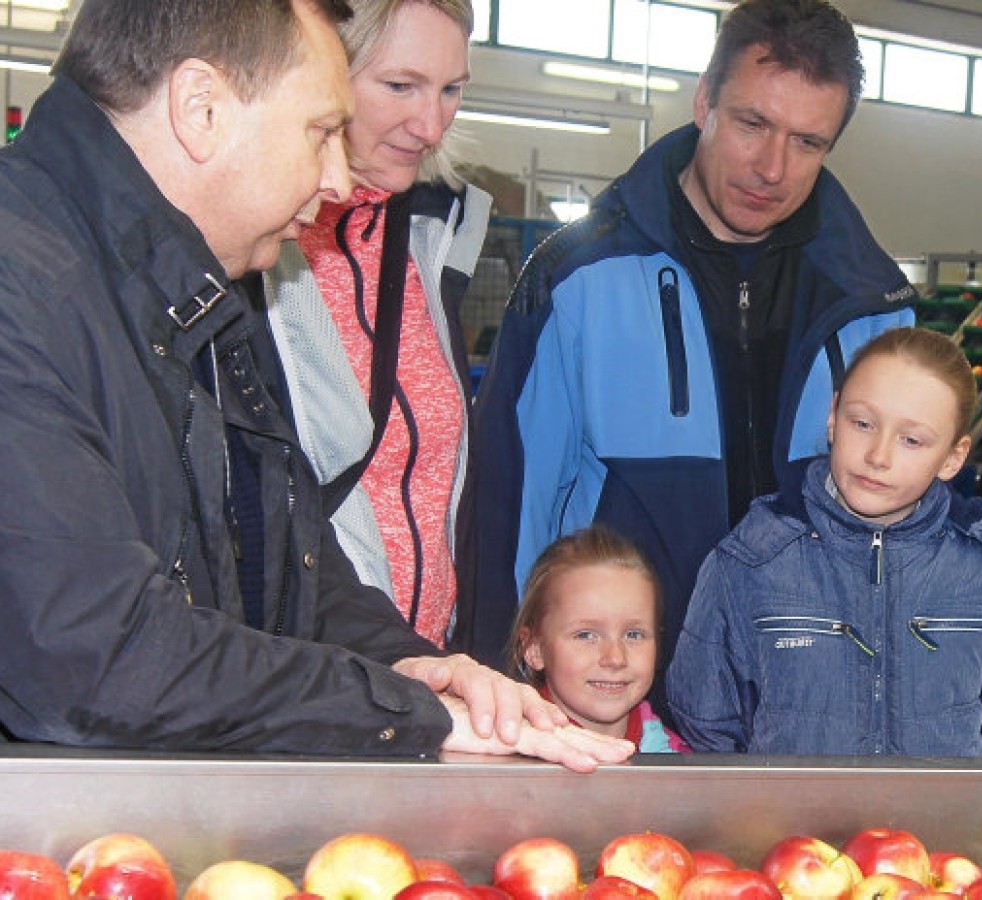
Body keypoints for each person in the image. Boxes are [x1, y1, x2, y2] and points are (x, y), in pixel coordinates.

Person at [0, 0, 631, 769]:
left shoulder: (194, 284)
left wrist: (410, 666)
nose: (338, 178)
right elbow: (94, 657)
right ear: (201, 109)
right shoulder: (23, 287)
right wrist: (400, 713)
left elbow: (281, 546)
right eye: (321, 132)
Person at [458, 0, 920, 689]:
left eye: (807, 143)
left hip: (805, 702)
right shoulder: (580, 279)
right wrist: (499, 686)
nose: (771, 167)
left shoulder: (873, 308)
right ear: (705, 102)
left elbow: (912, 530)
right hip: (621, 699)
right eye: (752, 123)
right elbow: (509, 507)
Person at [665, 328, 982, 770]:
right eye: (863, 423)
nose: (878, 456)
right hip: (787, 834)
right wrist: (757, 820)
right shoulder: (751, 561)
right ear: (832, 417)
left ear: (952, 457)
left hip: (938, 836)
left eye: (912, 440)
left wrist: (965, 820)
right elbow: (705, 718)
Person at [261, 0, 487, 648]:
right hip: (311, 665)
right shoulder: (257, 251)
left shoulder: (427, 242)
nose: (433, 121)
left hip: (425, 662)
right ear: (325, 72)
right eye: (400, 85)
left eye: (451, 89)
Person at [507, 527, 690, 754]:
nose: (615, 658)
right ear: (534, 648)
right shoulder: (502, 759)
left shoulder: (678, 763)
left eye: (634, 634)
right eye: (586, 635)